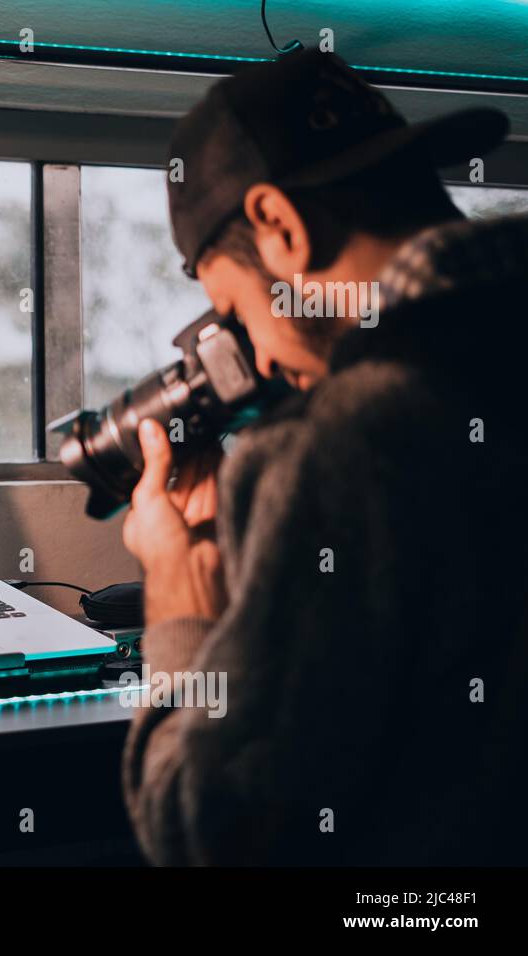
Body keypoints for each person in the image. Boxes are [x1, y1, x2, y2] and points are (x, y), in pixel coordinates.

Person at [120, 49, 528, 865]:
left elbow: (210, 830)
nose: (262, 364)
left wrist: (179, 603)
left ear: (279, 226)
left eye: (231, 307)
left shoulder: (341, 442)